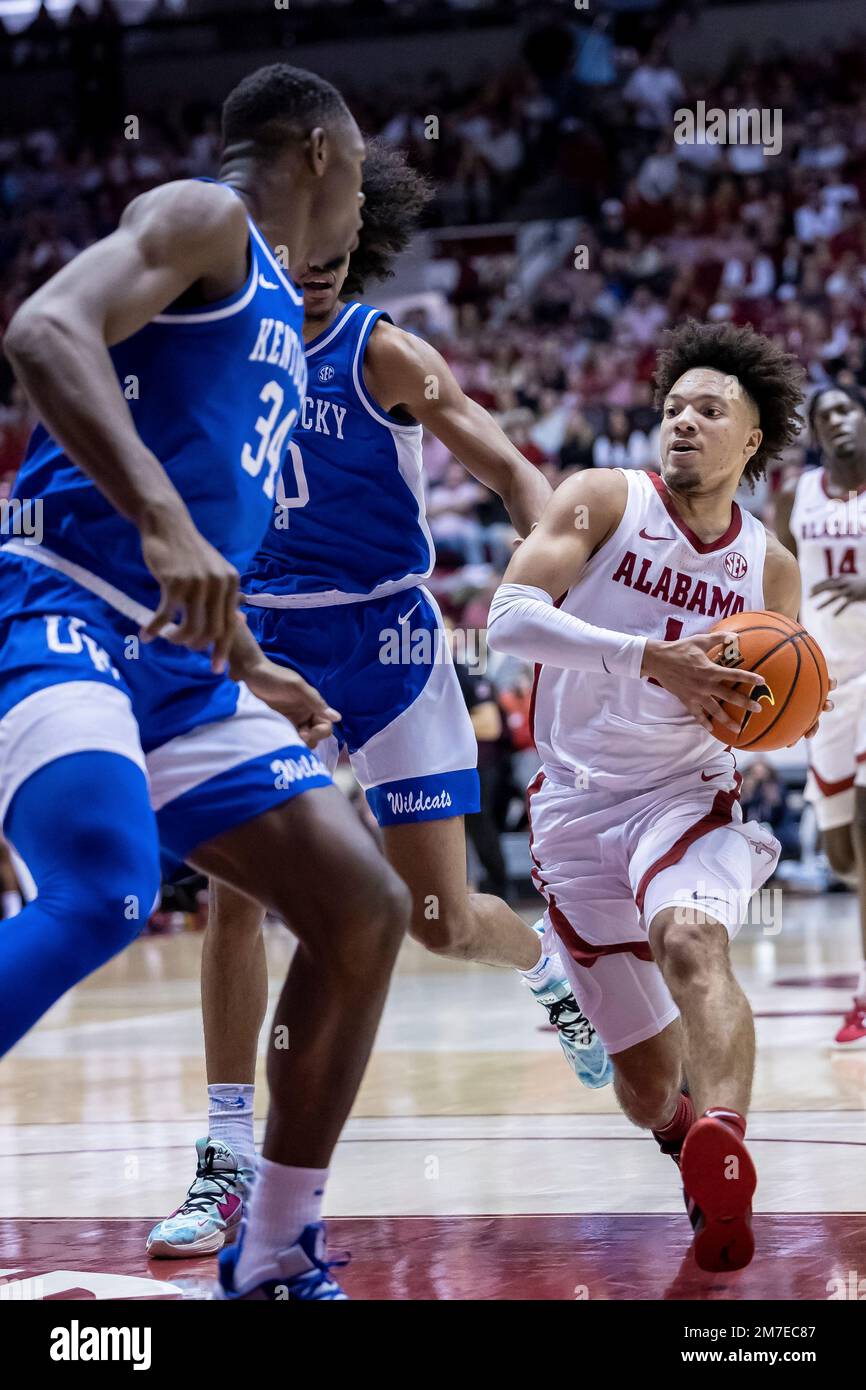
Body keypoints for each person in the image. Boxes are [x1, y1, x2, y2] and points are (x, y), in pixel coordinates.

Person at [146, 142, 612, 1267]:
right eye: (297, 256)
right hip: (262, 637)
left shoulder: (384, 353)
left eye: (334, 259)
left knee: (441, 922)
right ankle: (223, 1155)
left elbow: (511, 473)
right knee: (233, 893)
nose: (314, 274)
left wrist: (544, 586)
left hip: (391, 635)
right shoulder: (205, 353)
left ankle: (544, 963)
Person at [0, 64, 412, 1303]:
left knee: (362, 905)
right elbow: (40, 331)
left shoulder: (286, 308)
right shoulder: (204, 215)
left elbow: (206, 523)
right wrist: (164, 519)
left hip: (180, 666)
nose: (362, 212)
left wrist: (249, 659)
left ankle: (278, 1251)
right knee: (104, 889)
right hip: (63, 603)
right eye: (359, 173)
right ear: (322, 154)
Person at [487, 320, 832, 1273]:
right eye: (674, 407)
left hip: (683, 794)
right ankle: (687, 1139)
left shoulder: (768, 568)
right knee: (643, 1091)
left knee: (692, 936)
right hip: (573, 809)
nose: (682, 422)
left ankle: (727, 1134)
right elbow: (509, 619)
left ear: (751, 440)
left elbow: (768, 705)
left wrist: (778, 712)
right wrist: (652, 659)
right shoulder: (603, 500)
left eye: (709, 411)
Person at [775, 384, 866, 1046]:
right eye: (824, 414)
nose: (837, 420)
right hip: (827, 686)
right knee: (843, 857)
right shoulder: (795, 497)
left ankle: (863, 989)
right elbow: (779, 592)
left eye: (847, 409)